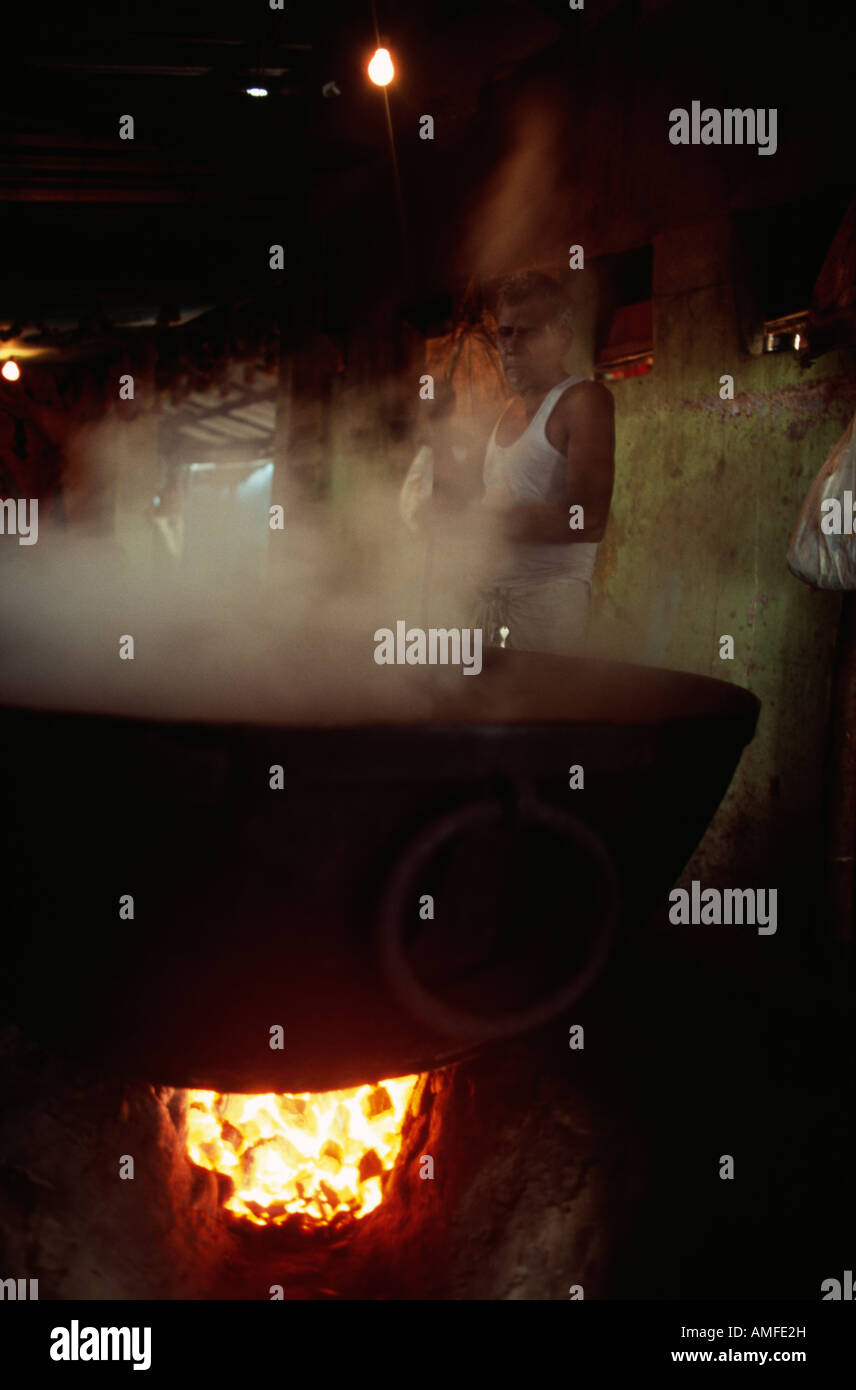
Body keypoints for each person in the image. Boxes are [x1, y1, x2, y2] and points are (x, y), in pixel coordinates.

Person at [465, 271, 615, 654]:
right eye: (505, 333)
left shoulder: (583, 400)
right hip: (489, 605)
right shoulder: (503, 413)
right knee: (483, 710)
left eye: (527, 333)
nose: (511, 346)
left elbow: (589, 518)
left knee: (540, 712)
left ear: (561, 340)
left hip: (547, 613)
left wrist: (483, 524)